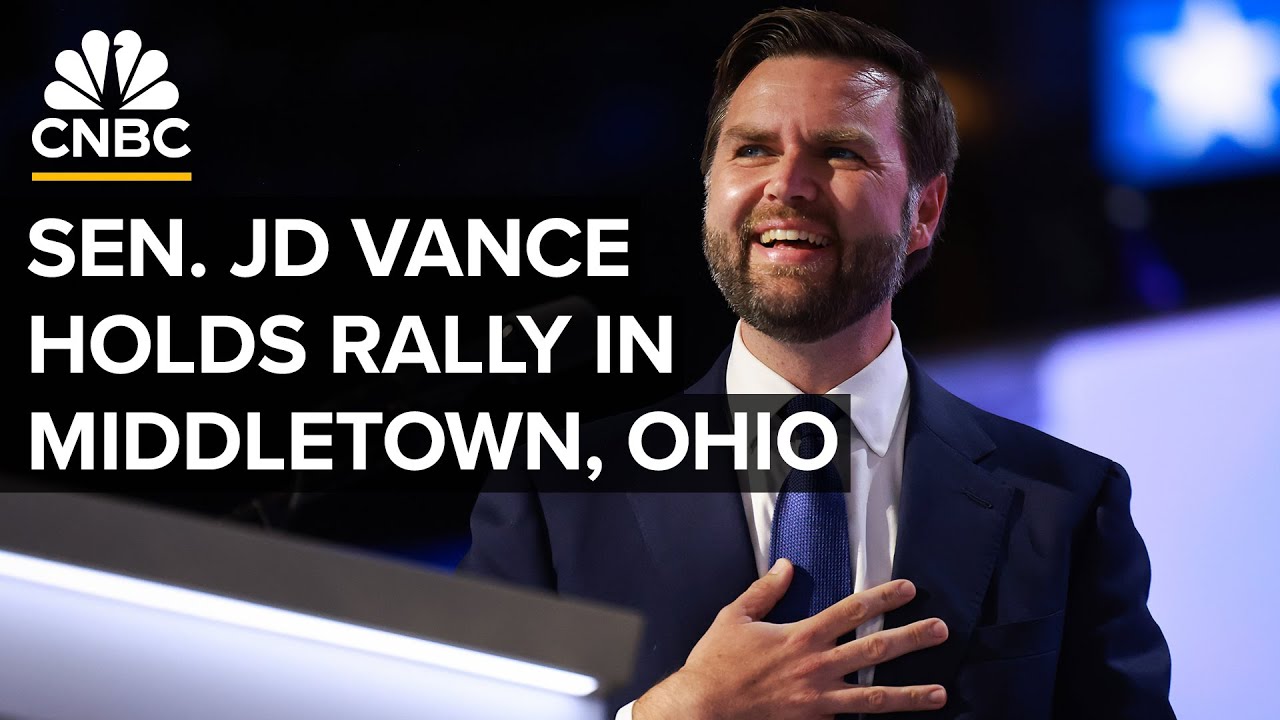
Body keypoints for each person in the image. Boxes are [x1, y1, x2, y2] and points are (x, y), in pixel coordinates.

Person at [460, 8, 1175, 719]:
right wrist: (679, 714)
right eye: (752, 151)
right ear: (710, 188)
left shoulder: (1067, 504)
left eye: (841, 152)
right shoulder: (551, 499)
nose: (788, 184)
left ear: (923, 210)